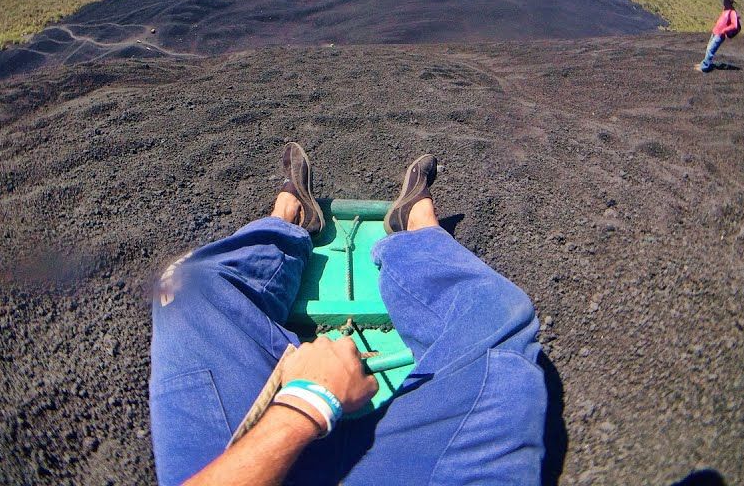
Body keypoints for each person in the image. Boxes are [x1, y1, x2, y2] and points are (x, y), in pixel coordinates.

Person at [150, 143, 547, 485]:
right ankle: (418, 227)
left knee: (185, 286)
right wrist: (310, 403)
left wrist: (298, 408)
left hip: (244, 459)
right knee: (498, 321)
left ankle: (287, 220)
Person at [697, 0, 741, 72]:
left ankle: (704, 67)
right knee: (709, 48)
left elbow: (734, 25)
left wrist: (724, 30)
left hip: (720, 35)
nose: (723, 1)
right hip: (715, 32)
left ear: (728, 1)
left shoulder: (732, 12)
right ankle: (705, 63)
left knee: (710, 50)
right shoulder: (725, 9)